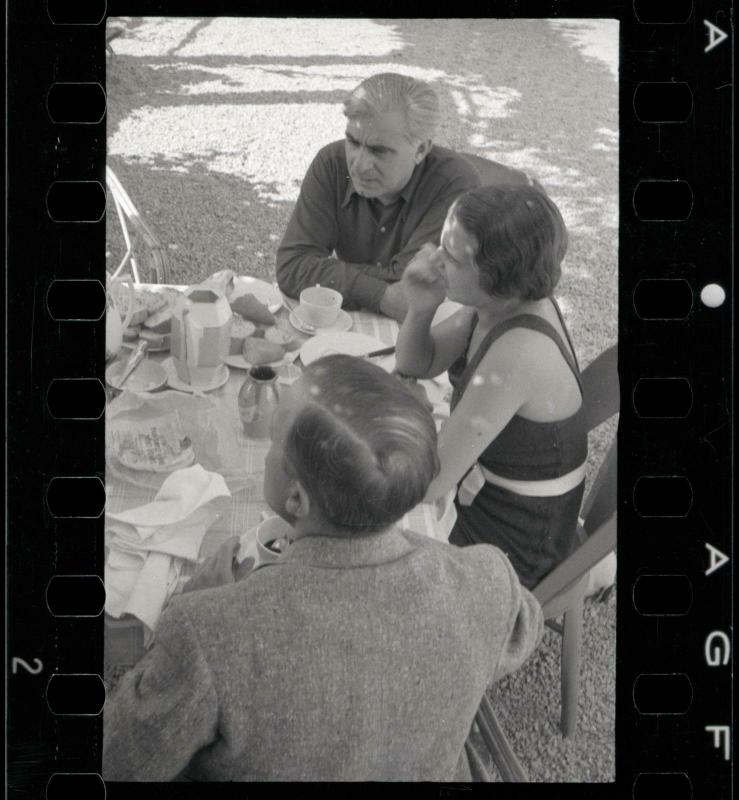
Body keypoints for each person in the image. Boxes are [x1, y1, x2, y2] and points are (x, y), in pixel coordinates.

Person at [103, 355, 543, 782]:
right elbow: (524, 627)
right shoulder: (487, 579)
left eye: (274, 441)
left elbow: (120, 762)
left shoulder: (204, 630)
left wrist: (192, 602)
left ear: (297, 499)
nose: (268, 451)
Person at [395, 184, 587, 589]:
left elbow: (429, 483)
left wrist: (410, 416)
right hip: (488, 498)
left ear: (499, 276)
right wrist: (421, 306)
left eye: (451, 256)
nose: (435, 259)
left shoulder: (518, 351)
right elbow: (415, 363)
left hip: (514, 545)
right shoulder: (498, 304)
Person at [275, 72, 483, 322]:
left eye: (379, 151)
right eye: (352, 141)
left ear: (420, 150)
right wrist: (382, 295)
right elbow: (292, 266)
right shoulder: (332, 165)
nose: (359, 166)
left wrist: (327, 271)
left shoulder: (453, 184)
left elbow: (412, 286)